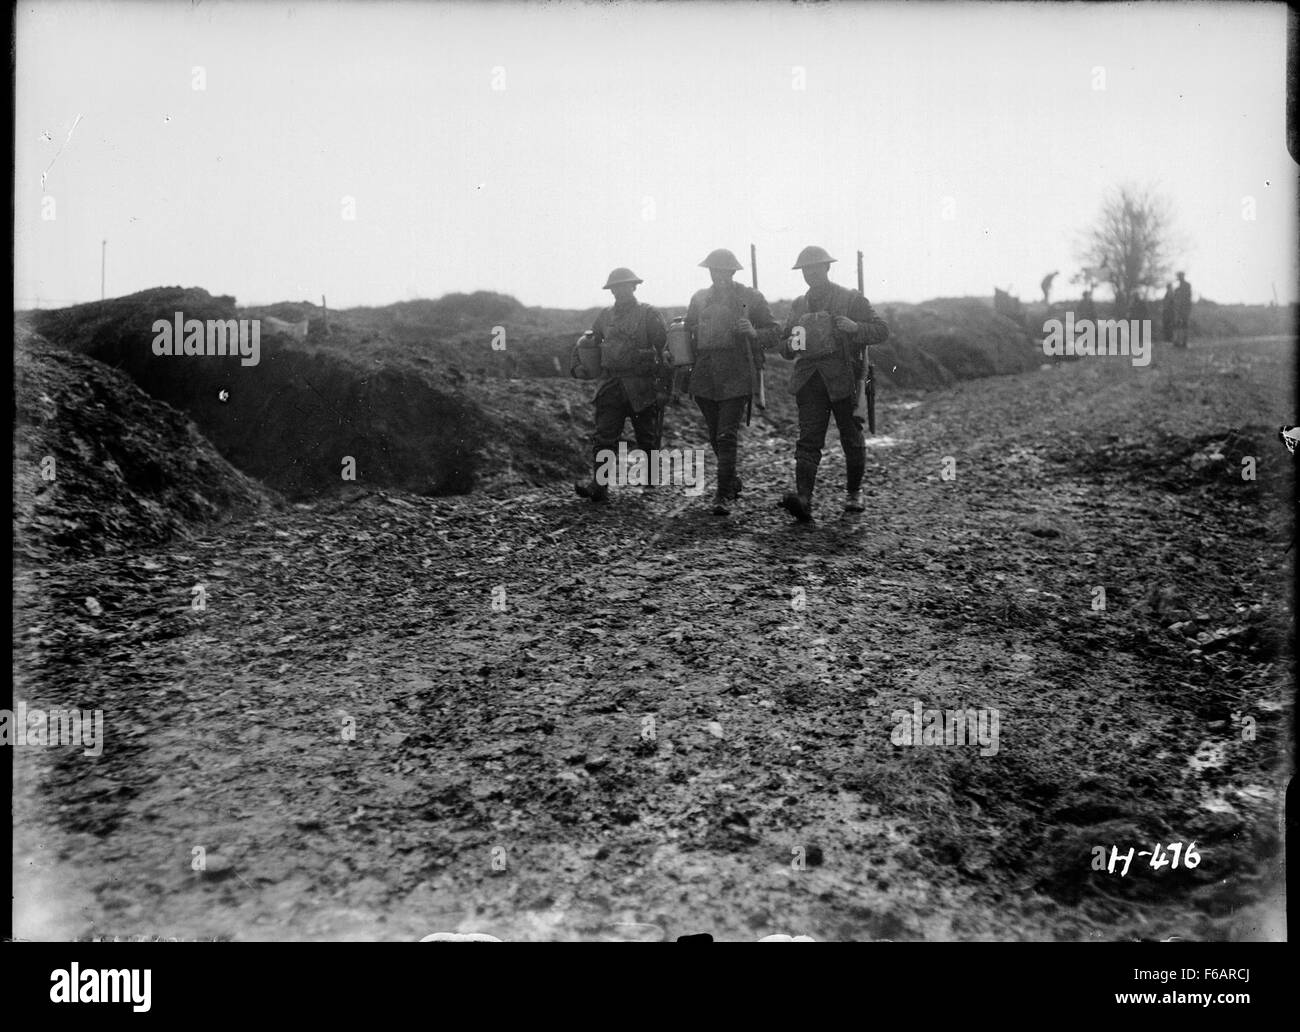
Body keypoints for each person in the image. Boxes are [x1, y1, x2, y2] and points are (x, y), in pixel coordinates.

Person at [778, 245, 890, 521]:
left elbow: (881, 330)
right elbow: (784, 347)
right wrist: (795, 342)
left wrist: (855, 328)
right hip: (810, 382)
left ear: (827, 268)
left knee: (851, 437)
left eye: (815, 268)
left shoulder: (851, 299)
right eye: (806, 269)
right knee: (808, 441)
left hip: (844, 379)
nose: (810, 274)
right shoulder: (799, 305)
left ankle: (854, 493)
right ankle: (804, 498)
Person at [684, 248, 781, 515]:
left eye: (724, 271)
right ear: (710, 272)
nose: (720, 276)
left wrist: (753, 331)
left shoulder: (750, 297)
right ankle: (732, 481)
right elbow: (689, 331)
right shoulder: (699, 299)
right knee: (716, 435)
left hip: (737, 372)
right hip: (704, 373)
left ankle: (723, 495)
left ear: (733, 272)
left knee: (726, 435)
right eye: (715, 271)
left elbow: (775, 332)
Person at [570, 268, 669, 502]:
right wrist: (577, 366)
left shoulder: (649, 314)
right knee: (604, 436)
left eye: (625, 286)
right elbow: (586, 342)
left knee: (647, 437)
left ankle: (651, 480)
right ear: (611, 290)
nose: (620, 291)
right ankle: (600, 485)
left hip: (642, 385)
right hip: (612, 385)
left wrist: (665, 389)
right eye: (616, 287)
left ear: (634, 287)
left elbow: (666, 351)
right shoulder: (605, 316)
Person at [1172, 271, 1192, 348]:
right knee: (1180, 325)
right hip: (1181, 308)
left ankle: (1182, 342)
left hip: (1184, 308)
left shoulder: (1185, 286)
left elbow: (1187, 297)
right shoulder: (1179, 288)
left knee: (1183, 325)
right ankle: (1179, 341)